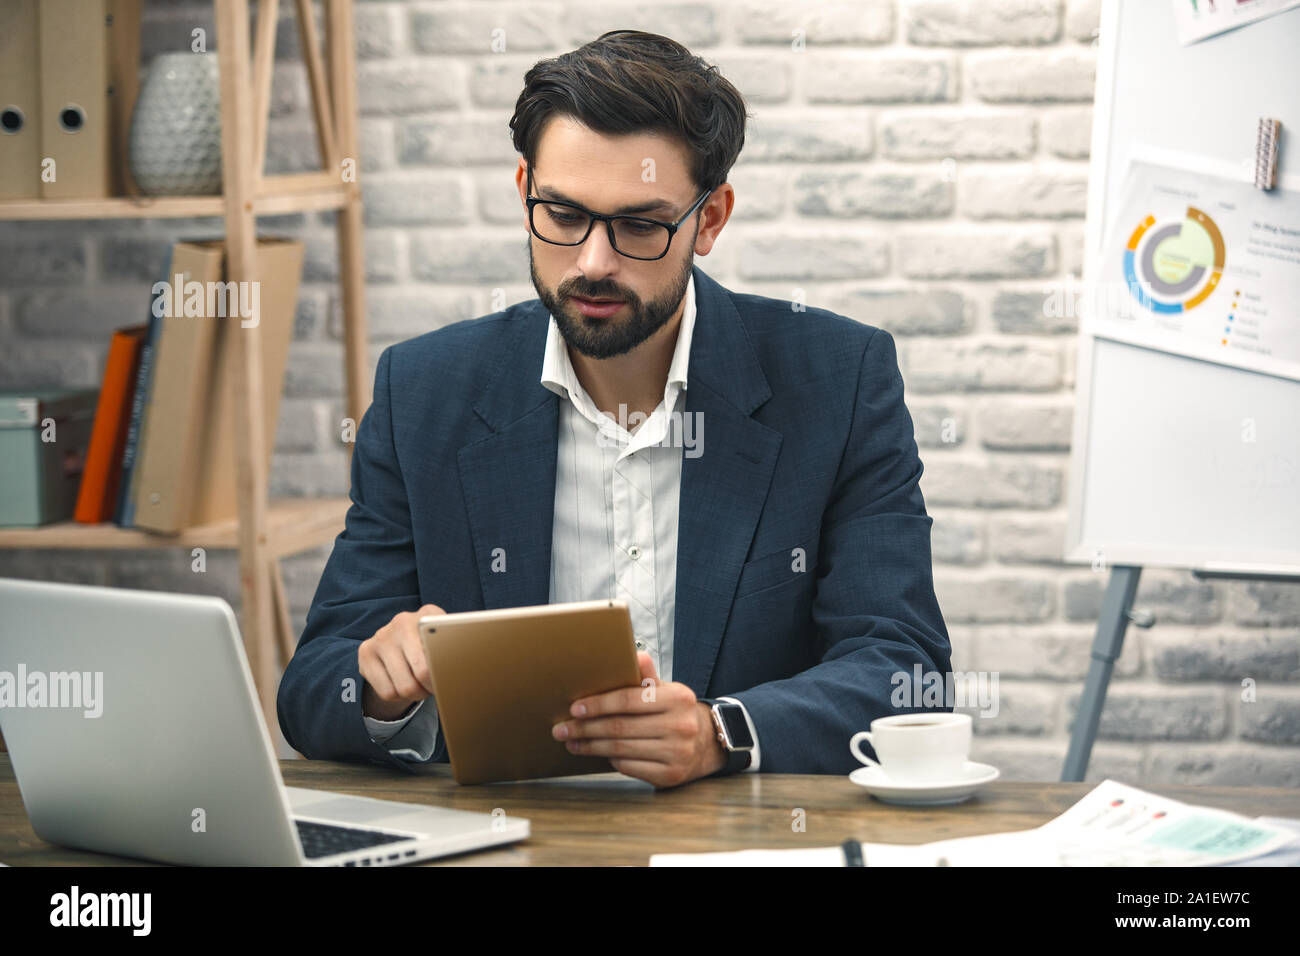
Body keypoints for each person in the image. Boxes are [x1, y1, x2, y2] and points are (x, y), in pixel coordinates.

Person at [277, 29, 951, 788]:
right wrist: (375, 683)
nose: (593, 262)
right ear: (524, 186)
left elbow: (902, 667)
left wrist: (719, 732)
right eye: (562, 214)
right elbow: (310, 690)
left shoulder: (838, 379)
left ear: (711, 219)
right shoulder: (424, 390)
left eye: (639, 225)